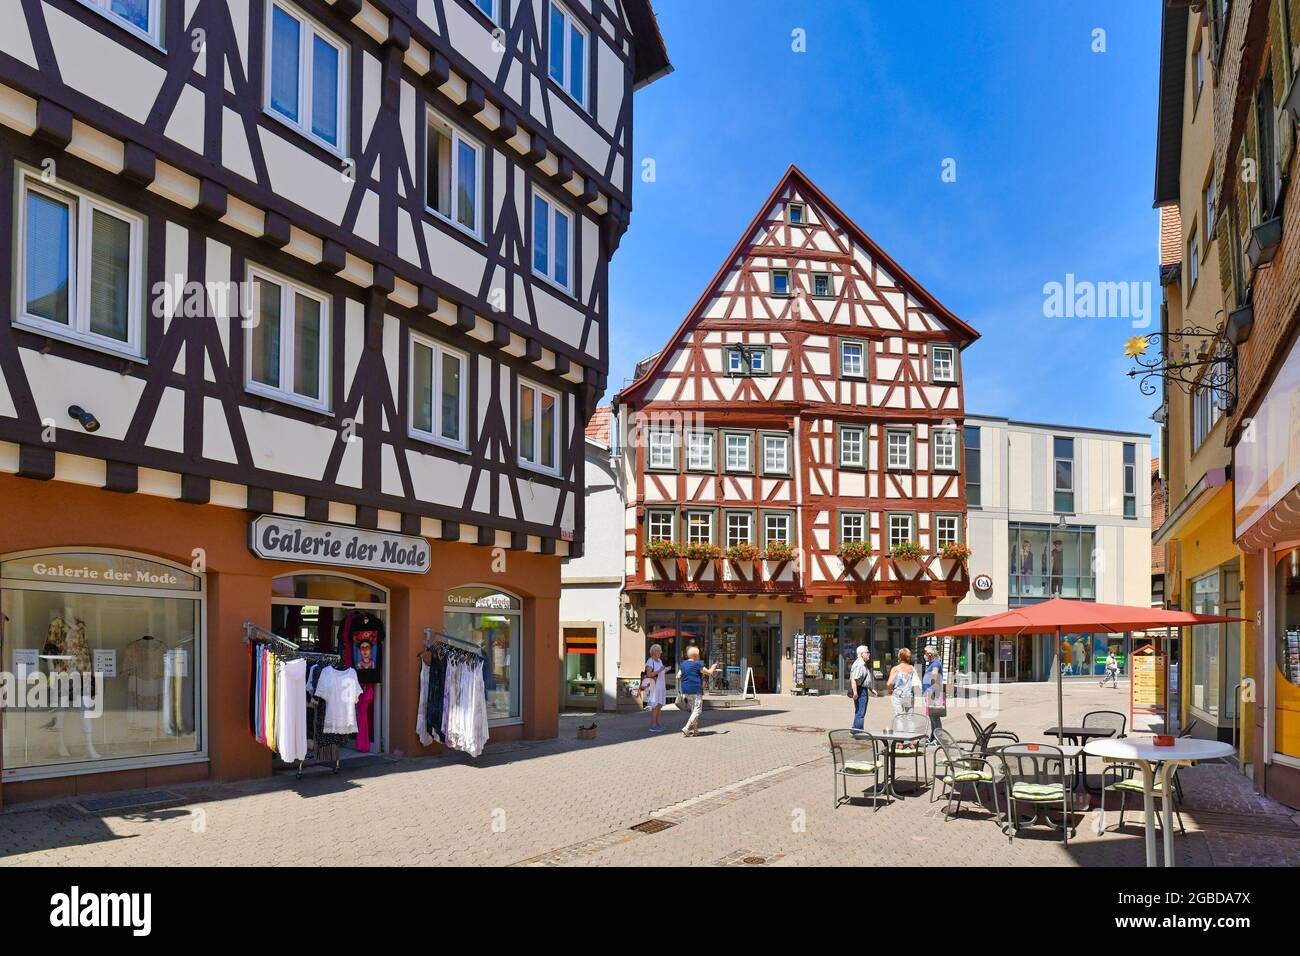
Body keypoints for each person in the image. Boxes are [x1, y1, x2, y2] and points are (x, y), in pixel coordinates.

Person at [677, 646, 720, 737]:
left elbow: (678, 676)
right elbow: (708, 672)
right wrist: (713, 666)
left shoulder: (683, 664)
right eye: (699, 654)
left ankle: (696, 731)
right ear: (696, 656)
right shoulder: (698, 664)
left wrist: (686, 678)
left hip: (686, 691)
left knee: (693, 710)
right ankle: (686, 727)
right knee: (697, 710)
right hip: (696, 690)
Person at [642, 644, 670, 732]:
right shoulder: (650, 661)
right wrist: (660, 670)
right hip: (655, 686)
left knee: (660, 705)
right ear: (653, 652)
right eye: (658, 650)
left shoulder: (659, 660)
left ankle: (657, 723)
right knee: (655, 705)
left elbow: (661, 671)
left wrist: (666, 669)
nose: (660, 652)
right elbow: (649, 674)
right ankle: (653, 725)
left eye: (660, 650)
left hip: (661, 686)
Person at [849, 645, 874, 730]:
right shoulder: (859, 664)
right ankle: (857, 731)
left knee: (860, 711)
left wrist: (870, 689)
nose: (869, 654)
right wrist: (855, 692)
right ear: (861, 654)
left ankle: (856, 730)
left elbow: (864, 678)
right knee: (860, 712)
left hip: (862, 689)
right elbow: (854, 679)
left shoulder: (862, 664)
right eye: (867, 652)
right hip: (860, 690)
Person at [885, 647, 917, 716]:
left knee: (899, 718)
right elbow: (915, 684)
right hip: (909, 695)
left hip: (898, 696)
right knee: (910, 718)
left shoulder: (896, 669)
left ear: (900, 657)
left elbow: (889, 683)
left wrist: (890, 691)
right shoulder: (912, 668)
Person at [921, 645, 944, 737]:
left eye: (925, 653)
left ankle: (938, 737)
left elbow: (934, 675)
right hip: (930, 693)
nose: (924, 655)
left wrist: (931, 689)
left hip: (933, 694)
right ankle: (933, 736)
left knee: (935, 717)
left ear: (930, 654)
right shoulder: (932, 663)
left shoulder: (935, 663)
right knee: (932, 716)